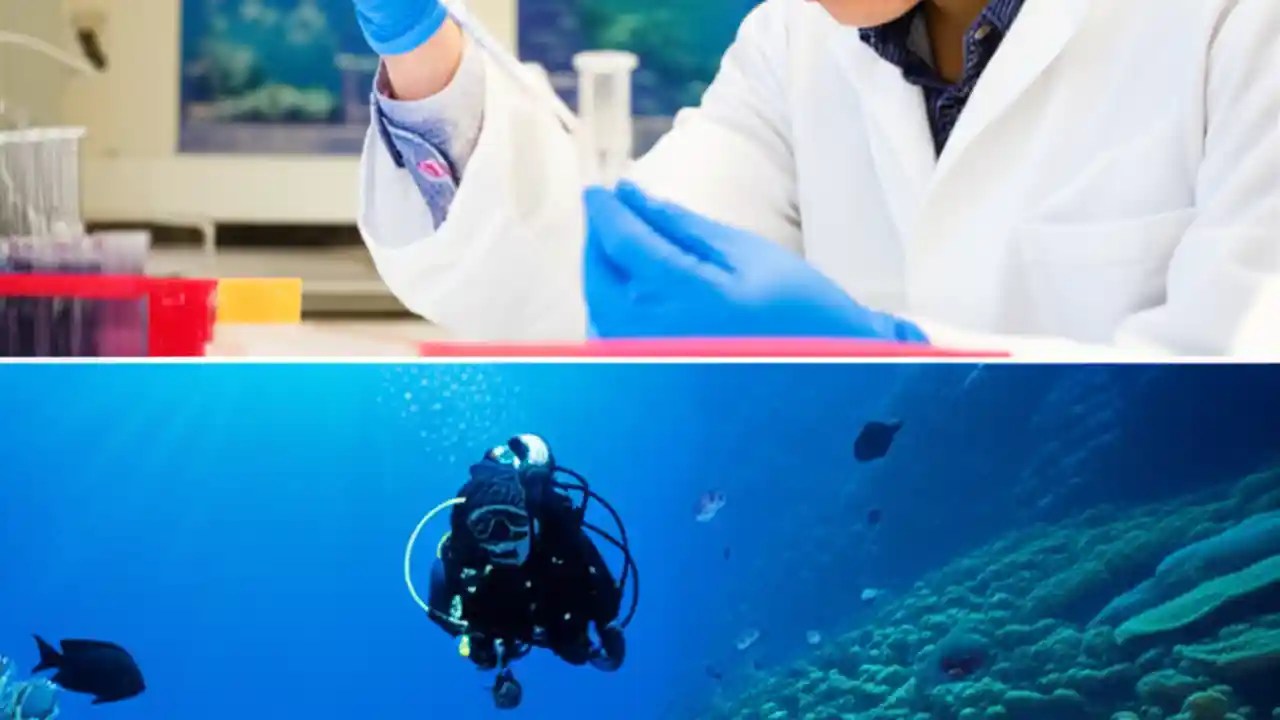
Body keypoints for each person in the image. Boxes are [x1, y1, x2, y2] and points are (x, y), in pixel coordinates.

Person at [349, 0, 1278, 355]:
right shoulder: (795, 44)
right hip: (903, 623)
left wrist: (904, 355)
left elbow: (1242, 402)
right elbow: (597, 291)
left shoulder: (1237, 24)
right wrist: (422, 48)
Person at [421, 434, 632, 709]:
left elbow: (591, 572)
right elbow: (443, 601)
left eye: (512, 523)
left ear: (532, 518)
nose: (500, 539)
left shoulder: (558, 537)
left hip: (544, 604)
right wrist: (472, 639)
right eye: (485, 526)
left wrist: (606, 624)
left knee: (568, 632)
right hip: (511, 614)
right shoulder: (468, 554)